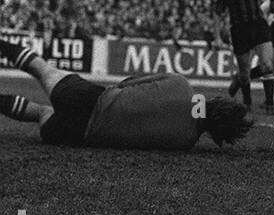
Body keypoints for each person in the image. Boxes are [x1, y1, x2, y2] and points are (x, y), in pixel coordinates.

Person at [0, 39, 252, 149]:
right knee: (42, 112)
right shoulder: (185, 142)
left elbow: (129, 83)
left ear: (219, 102)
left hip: (88, 99)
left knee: (42, 69)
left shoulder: (181, 85)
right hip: (76, 134)